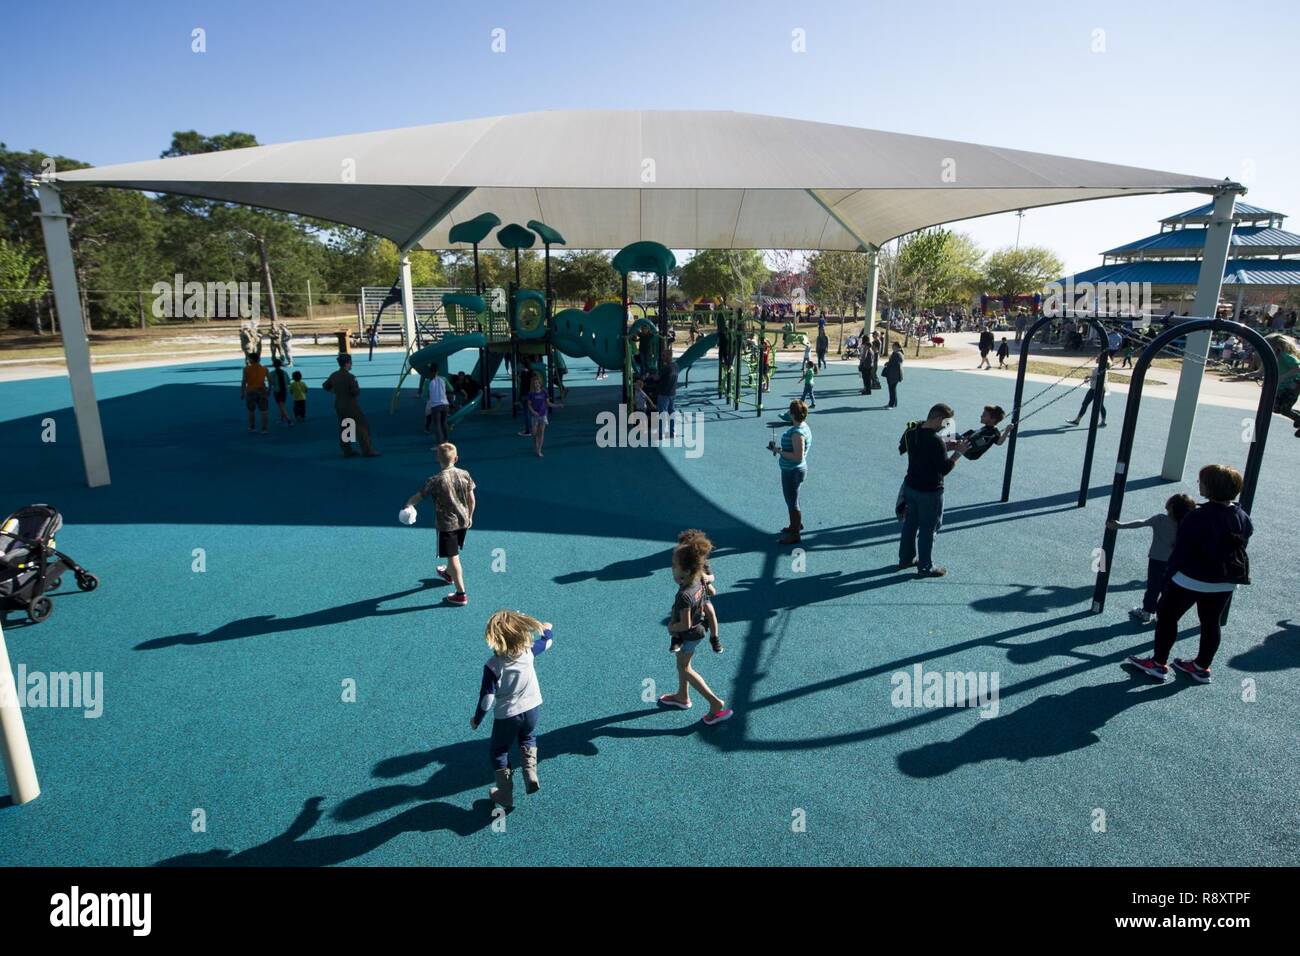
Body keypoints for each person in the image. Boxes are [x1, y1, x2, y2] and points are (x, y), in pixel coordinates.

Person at [1126, 465, 1253, 684]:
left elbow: (1181, 552)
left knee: (1167, 617)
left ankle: (1158, 664)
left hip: (1191, 578)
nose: (1199, 484)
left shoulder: (1197, 516)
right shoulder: (1241, 515)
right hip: (1225, 581)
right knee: (1210, 622)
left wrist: (1167, 579)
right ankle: (1201, 668)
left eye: (1202, 481)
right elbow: (1245, 539)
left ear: (1212, 487)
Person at [470, 610, 553, 809]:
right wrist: (547, 629)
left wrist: (477, 719)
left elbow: (487, 699)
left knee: (499, 751)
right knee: (528, 737)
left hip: (508, 716)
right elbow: (548, 642)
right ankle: (530, 772)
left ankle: (505, 794)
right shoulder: (528, 651)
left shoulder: (493, 665)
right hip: (532, 708)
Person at [656, 535, 732, 725]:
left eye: (675, 566)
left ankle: (715, 704)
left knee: (685, 667)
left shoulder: (684, 595)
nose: (672, 569)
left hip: (690, 633)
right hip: (699, 629)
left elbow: (685, 624)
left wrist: (671, 626)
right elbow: (710, 594)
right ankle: (682, 696)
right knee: (681, 663)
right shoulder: (698, 579)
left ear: (686, 570)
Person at [897, 403, 968, 578]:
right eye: (944, 423)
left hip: (911, 486)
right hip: (930, 491)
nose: (944, 428)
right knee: (928, 528)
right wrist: (958, 452)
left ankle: (906, 558)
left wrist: (946, 446)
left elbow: (921, 449)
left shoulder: (912, 431)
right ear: (937, 419)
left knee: (910, 524)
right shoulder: (936, 441)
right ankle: (925, 566)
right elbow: (944, 468)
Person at [1108, 494, 1197, 625]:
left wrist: (1120, 525)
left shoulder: (1160, 519)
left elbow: (1141, 522)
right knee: (1168, 589)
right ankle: (1163, 614)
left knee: (1153, 587)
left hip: (1157, 560)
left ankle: (1147, 612)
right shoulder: (1186, 525)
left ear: (1171, 507)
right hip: (1174, 562)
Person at [404, 442, 475, 606]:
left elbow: (419, 496)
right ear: (456, 458)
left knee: (454, 556)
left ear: (437, 459)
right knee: (454, 551)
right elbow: (472, 499)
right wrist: (470, 516)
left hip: (447, 525)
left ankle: (460, 594)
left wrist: (409, 504)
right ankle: (449, 573)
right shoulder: (465, 474)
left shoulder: (435, 480)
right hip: (464, 520)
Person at [769, 400, 811, 545]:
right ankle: (796, 524)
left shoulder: (797, 433)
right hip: (796, 469)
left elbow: (797, 456)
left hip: (792, 471)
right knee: (794, 499)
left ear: (792, 414)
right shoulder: (804, 427)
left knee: (792, 502)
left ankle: (795, 534)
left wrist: (779, 451)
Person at [322, 353, 380, 458]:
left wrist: (334, 391)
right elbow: (354, 392)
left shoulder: (334, 375)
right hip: (351, 404)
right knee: (361, 427)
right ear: (347, 363)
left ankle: (347, 450)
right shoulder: (350, 377)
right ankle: (367, 450)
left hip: (339, 404)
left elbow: (325, 386)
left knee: (345, 426)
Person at [675, 529, 722, 653]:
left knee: (711, 611)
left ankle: (714, 638)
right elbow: (677, 578)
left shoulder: (703, 562)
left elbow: (712, 577)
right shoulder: (680, 562)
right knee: (677, 613)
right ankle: (676, 638)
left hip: (702, 593)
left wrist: (706, 578)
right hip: (690, 592)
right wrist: (684, 578)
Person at [1264, 333, 1300, 437]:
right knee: (1275, 407)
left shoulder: (1286, 356)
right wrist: (1248, 374)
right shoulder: (1270, 357)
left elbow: (1297, 368)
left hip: (1294, 384)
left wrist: (1283, 376)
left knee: (1285, 409)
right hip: (1282, 386)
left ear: (1277, 347)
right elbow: (1261, 371)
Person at [1067, 357, 1109, 427]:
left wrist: (1090, 378)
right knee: (1085, 403)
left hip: (1099, 390)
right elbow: (1095, 377)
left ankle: (1103, 422)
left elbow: (1101, 379)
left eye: (1098, 358)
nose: (1097, 359)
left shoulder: (1104, 369)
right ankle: (1077, 420)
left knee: (1100, 406)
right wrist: (1089, 377)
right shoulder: (1097, 368)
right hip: (1093, 389)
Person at [525, 372, 559, 457]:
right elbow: (529, 405)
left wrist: (557, 405)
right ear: (533, 384)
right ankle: (536, 446)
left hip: (543, 415)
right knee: (534, 433)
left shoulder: (544, 392)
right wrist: (533, 412)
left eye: (538, 383)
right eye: (535, 383)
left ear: (540, 384)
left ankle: (539, 450)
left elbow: (548, 403)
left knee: (541, 432)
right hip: (534, 415)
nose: (536, 385)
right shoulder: (531, 394)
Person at [240, 354, 270, 434]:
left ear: (251, 360)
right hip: (262, 391)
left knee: (251, 411)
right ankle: (264, 429)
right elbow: (270, 381)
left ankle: (252, 427)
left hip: (250, 391)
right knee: (264, 411)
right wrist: (269, 391)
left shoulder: (246, 369)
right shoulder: (265, 369)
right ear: (259, 359)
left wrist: (242, 392)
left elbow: (244, 382)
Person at [424, 362, 451, 444]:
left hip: (436, 406)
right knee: (444, 423)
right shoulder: (444, 379)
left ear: (430, 372)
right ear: (437, 371)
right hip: (445, 404)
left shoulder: (427, 381)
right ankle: (446, 441)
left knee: (437, 425)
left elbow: (425, 395)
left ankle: (440, 444)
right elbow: (451, 389)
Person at [655, 347, 679, 439]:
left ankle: (660, 434)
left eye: (664, 355)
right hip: (672, 393)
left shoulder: (666, 368)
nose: (662, 357)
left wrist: (651, 376)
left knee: (662, 414)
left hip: (664, 394)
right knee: (671, 413)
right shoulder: (676, 366)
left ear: (669, 356)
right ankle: (672, 433)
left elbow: (657, 378)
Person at [269, 357, 293, 427]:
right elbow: (288, 382)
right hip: (284, 390)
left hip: (277, 391)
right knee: (282, 404)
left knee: (280, 405)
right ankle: (282, 418)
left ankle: (288, 420)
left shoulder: (272, 373)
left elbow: (272, 383)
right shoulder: (284, 372)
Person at [883, 343, 904, 408]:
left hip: (895, 375)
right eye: (892, 346)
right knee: (891, 389)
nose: (892, 348)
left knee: (892, 390)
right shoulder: (894, 353)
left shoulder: (898, 354)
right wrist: (888, 363)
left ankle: (892, 404)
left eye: (894, 346)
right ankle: (892, 403)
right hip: (891, 374)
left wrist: (889, 364)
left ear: (898, 347)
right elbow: (892, 362)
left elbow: (897, 364)